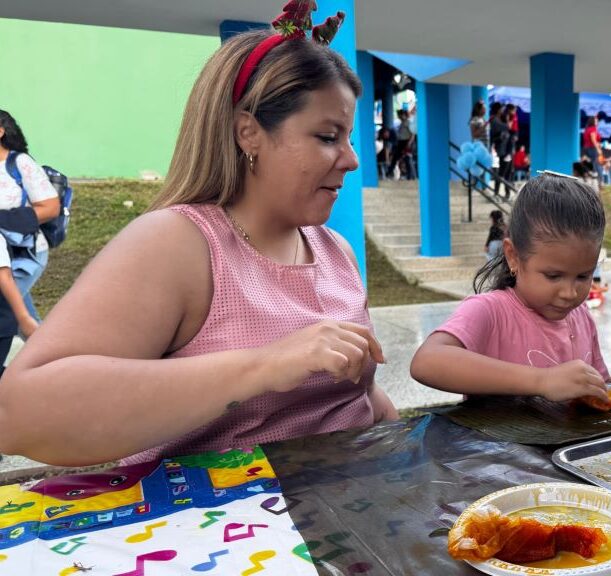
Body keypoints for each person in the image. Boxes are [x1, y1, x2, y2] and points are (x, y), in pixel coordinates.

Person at [0, 14, 398, 466]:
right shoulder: (179, 244)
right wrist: (264, 366)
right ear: (248, 132)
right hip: (230, 529)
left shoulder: (335, 251)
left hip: (352, 511)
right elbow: (19, 415)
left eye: (348, 138)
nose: (351, 159)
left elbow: (357, 403)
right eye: (328, 136)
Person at [409, 175, 611, 402]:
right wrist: (541, 381)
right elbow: (427, 362)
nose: (570, 293)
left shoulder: (580, 318)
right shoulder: (490, 310)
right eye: (553, 276)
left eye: (583, 276)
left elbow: (594, 392)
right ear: (514, 256)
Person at [0, 110, 61, 324]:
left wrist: (5, 220)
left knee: (6, 312)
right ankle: (52, 354)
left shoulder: (20, 164)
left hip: (23, 254)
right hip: (2, 255)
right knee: (23, 319)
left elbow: (51, 207)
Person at [394, 108, 415, 180]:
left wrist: (409, 143)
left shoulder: (408, 123)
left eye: (400, 115)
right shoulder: (402, 123)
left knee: (408, 159)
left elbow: (412, 134)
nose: (399, 116)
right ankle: (409, 176)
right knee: (399, 158)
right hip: (402, 142)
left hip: (407, 142)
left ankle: (411, 176)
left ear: (404, 115)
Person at [582, 116, 603, 184]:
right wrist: (598, 149)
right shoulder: (593, 129)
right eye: (596, 120)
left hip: (586, 148)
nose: (597, 122)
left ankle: (588, 180)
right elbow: (593, 140)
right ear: (593, 121)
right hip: (592, 148)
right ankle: (600, 181)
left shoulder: (587, 129)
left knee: (589, 164)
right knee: (597, 164)